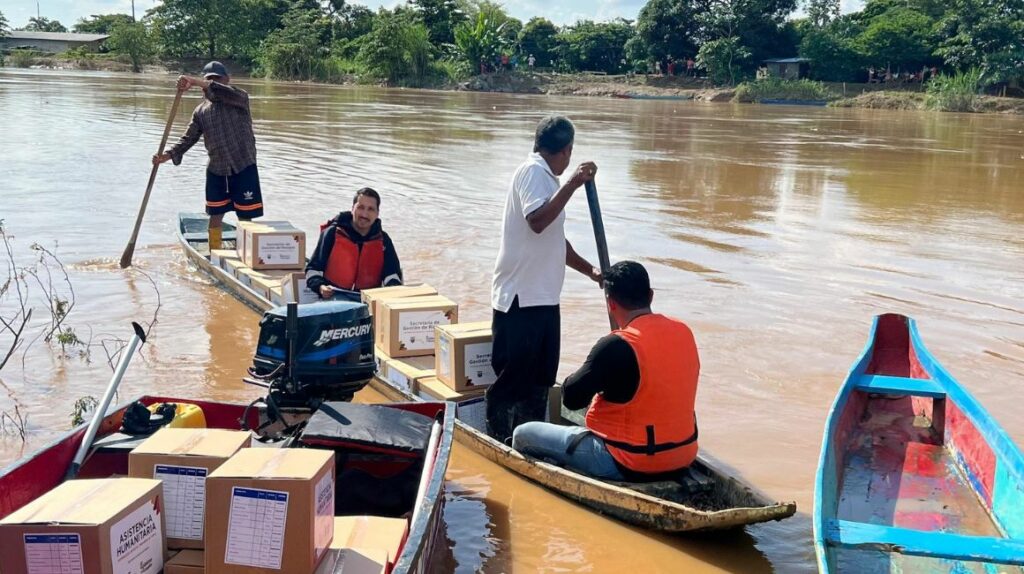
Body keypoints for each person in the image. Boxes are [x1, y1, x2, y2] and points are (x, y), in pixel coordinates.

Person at [512, 261, 700, 480]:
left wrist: (592, 368)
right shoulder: (683, 331)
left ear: (611, 304)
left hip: (629, 462)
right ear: (650, 296)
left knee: (522, 434)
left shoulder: (615, 345)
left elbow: (572, 399)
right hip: (683, 454)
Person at [488, 116, 602, 443]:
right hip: (521, 298)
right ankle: (499, 440)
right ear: (564, 151)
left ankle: (530, 441)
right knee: (513, 380)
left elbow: (555, 241)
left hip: (545, 298)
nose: (569, 160)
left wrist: (591, 271)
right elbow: (537, 221)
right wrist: (574, 183)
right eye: (569, 153)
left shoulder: (548, 180)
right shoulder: (532, 172)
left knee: (541, 379)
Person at [153, 61, 262, 250]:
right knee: (215, 214)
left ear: (226, 80)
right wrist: (167, 155)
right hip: (217, 169)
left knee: (245, 216)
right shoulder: (201, 111)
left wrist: (194, 81)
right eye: (209, 79)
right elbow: (189, 138)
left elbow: (218, 91)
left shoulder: (239, 98)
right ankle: (215, 252)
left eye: (217, 79)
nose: (212, 83)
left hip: (243, 166)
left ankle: (249, 253)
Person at [305, 188, 402, 298]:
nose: (365, 214)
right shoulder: (332, 233)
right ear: (352, 209)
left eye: (370, 209)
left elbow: (392, 275)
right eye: (361, 207)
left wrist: (392, 290)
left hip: (369, 300)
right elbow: (312, 269)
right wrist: (320, 287)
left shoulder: (384, 240)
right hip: (334, 297)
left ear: (377, 214)